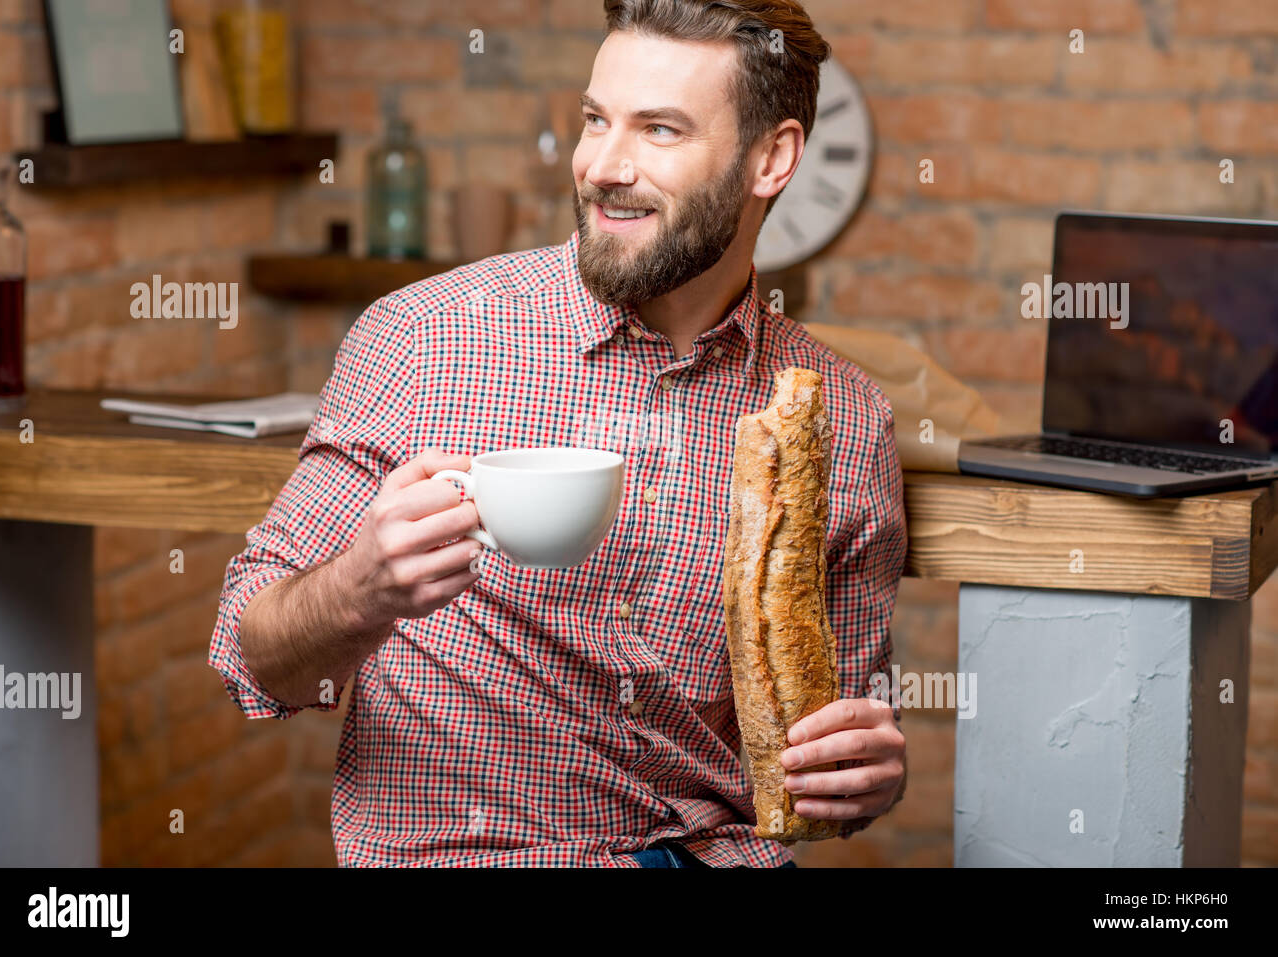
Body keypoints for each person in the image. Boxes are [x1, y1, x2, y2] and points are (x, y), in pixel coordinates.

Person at [209, 0, 908, 867]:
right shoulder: (425, 336)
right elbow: (256, 660)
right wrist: (361, 587)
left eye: (659, 130)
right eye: (593, 120)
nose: (603, 166)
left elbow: (828, 746)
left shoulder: (841, 415)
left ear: (772, 158)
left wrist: (863, 776)